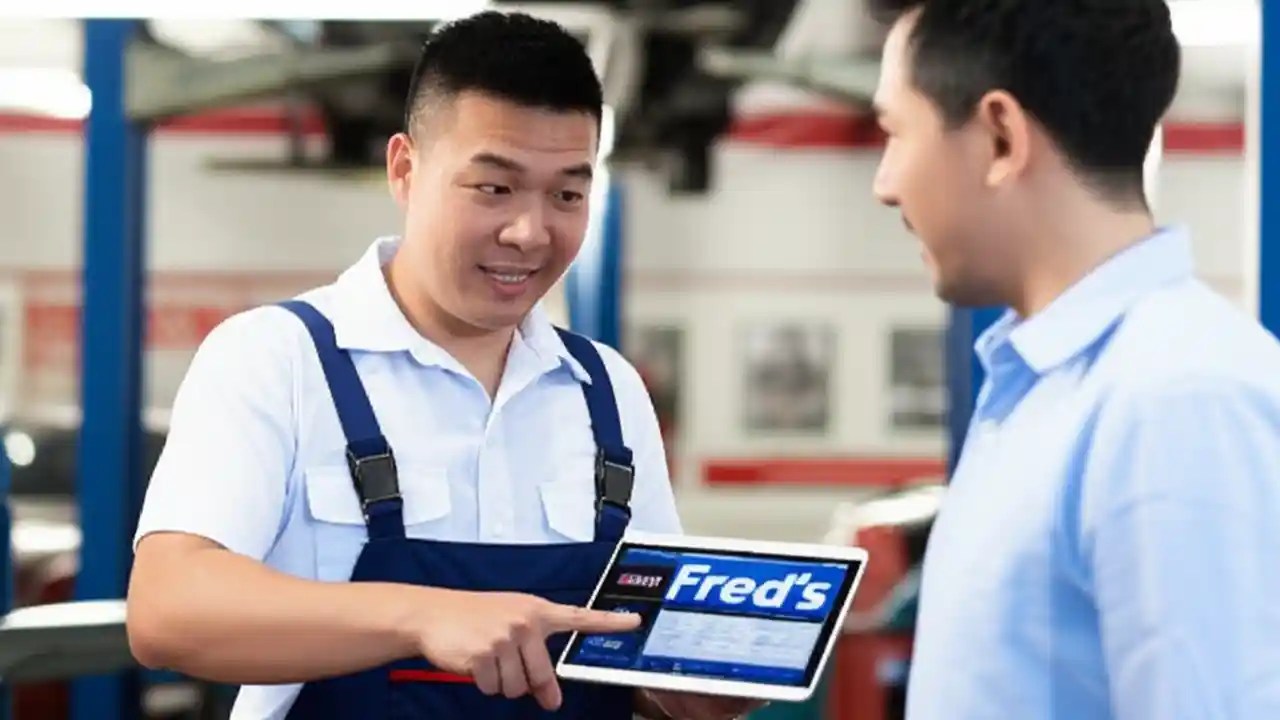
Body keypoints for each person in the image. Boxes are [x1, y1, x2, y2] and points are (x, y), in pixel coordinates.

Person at [126, 11, 762, 720]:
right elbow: (166, 610)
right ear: (405, 168)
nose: (529, 231)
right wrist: (420, 617)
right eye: (494, 188)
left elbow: (637, 659)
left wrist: (700, 687)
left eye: (567, 194)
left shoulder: (606, 391)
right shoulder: (278, 360)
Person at [868, 1, 1280, 718]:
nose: (885, 183)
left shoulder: (1178, 401)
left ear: (1000, 136)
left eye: (895, 133)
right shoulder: (1046, 390)